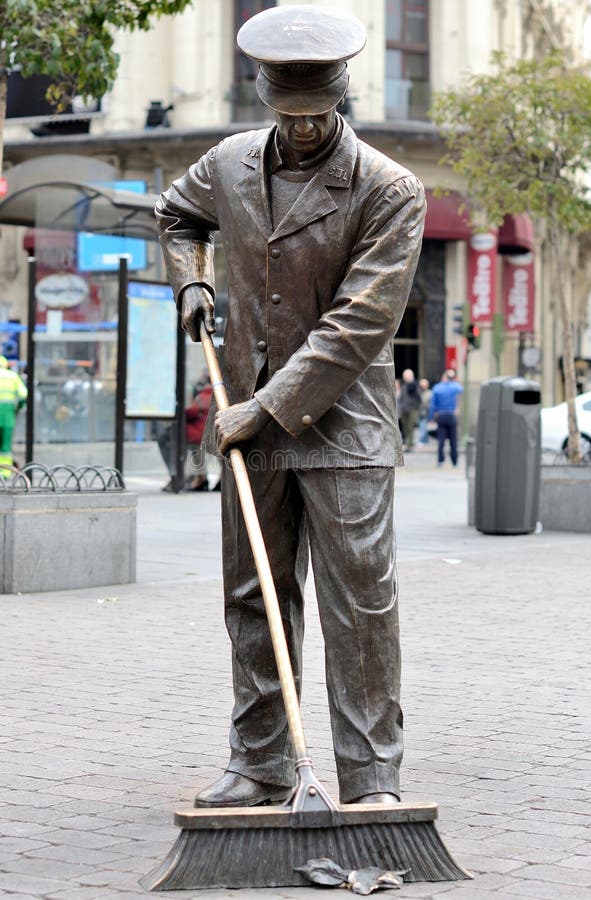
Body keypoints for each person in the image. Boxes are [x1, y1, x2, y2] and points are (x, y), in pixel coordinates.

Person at [155, 5, 426, 808]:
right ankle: (261, 760)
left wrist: (263, 409)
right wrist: (192, 280)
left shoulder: (389, 189)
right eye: (288, 116)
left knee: (360, 604)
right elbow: (176, 215)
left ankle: (372, 776)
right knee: (253, 595)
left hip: (342, 424)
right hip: (251, 423)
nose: (303, 131)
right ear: (268, 102)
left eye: (318, 117)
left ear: (339, 101)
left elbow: (358, 324)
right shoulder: (229, 162)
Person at [428, 369, 464, 467]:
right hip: (452, 415)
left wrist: (431, 417)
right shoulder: (455, 386)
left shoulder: (437, 388)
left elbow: (433, 405)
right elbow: (461, 389)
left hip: (441, 415)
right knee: (453, 440)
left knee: (441, 440)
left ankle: (440, 460)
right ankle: (454, 461)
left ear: (443, 377)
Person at [0, 355, 27, 474]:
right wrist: (19, 407)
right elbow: (23, 394)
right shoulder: (12, 376)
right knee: (5, 447)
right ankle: (5, 473)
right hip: (8, 418)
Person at [396, 368, 421, 451]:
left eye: (407, 376)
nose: (405, 378)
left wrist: (416, 409)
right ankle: (408, 443)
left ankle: (410, 445)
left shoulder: (414, 385)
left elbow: (418, 398)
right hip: (404, 410)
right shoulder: (404, 386)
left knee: (410, 428)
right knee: (406, 428)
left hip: (412, 410)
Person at [417, 377, 432, 445]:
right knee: (423, 426)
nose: (423, 386)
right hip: (419, 412)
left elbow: (430, 403)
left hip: (427, 412)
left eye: (424, 385)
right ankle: (425, 440)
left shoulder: (430, 393)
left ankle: (422, 440)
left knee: (423, 426)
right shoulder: (418, 392)